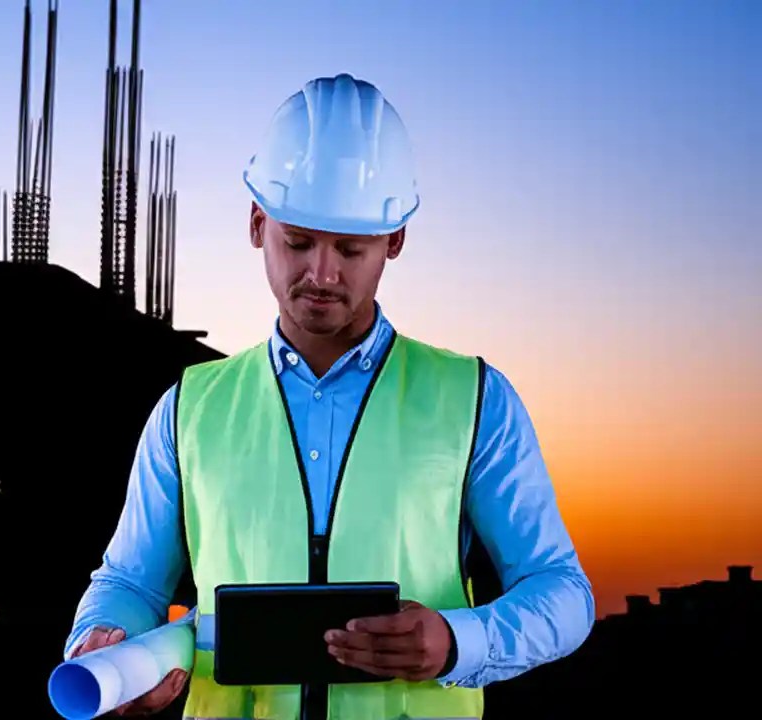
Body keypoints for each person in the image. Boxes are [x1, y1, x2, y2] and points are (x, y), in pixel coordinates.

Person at [64, 73, 595, 719]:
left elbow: (561, 591)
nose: (321, 273)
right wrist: (102, 643)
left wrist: (457, 641)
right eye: (298, 242)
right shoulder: (189, 408)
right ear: (257, 224)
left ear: (394, 242)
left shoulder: (475, 399)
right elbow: (127, 582)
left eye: (350, 248)